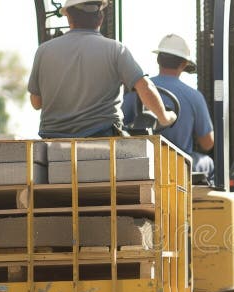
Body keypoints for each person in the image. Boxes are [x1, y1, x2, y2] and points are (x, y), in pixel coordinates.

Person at [28, 0, 176, 138]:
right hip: (103, 142)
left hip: (52, 144)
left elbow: (36, 103)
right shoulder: (116, 50)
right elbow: (145, 87)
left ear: (68, 17)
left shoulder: (43, 51)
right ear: (100, 16)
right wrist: (164, 117)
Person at [122, 34, 215, 176]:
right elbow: (207, 143)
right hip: (178, 166)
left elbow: (120, 125)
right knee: (208, 162)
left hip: (142, 164)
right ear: (184, 64)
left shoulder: (139, 90)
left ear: (158, 60)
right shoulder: (194, 97)